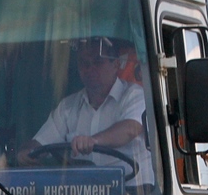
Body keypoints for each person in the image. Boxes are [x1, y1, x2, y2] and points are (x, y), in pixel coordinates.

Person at [16, 36, 153, 185]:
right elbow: (40, 142)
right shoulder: (67, 107)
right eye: (84, 63)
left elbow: (130, 129)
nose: (90, 69)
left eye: (97, 62)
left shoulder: (135, 96)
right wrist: (26, 152)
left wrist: (94, 141)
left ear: (116, 65)